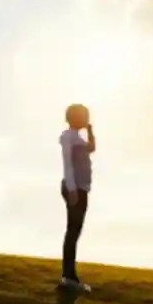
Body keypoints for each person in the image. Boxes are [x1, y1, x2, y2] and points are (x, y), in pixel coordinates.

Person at [58, 103, 95, 292]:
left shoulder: (78, 139)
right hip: (75, 189)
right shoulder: (68, 137)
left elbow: (92, 148)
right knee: (73, 231)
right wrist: (72, 190)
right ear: (74, 117)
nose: (87, 118)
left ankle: (69, 276)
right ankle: (69, 278)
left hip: (81, 188)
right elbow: (68, 164)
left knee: (75, 231)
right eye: (84, 115)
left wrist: (90, 130)